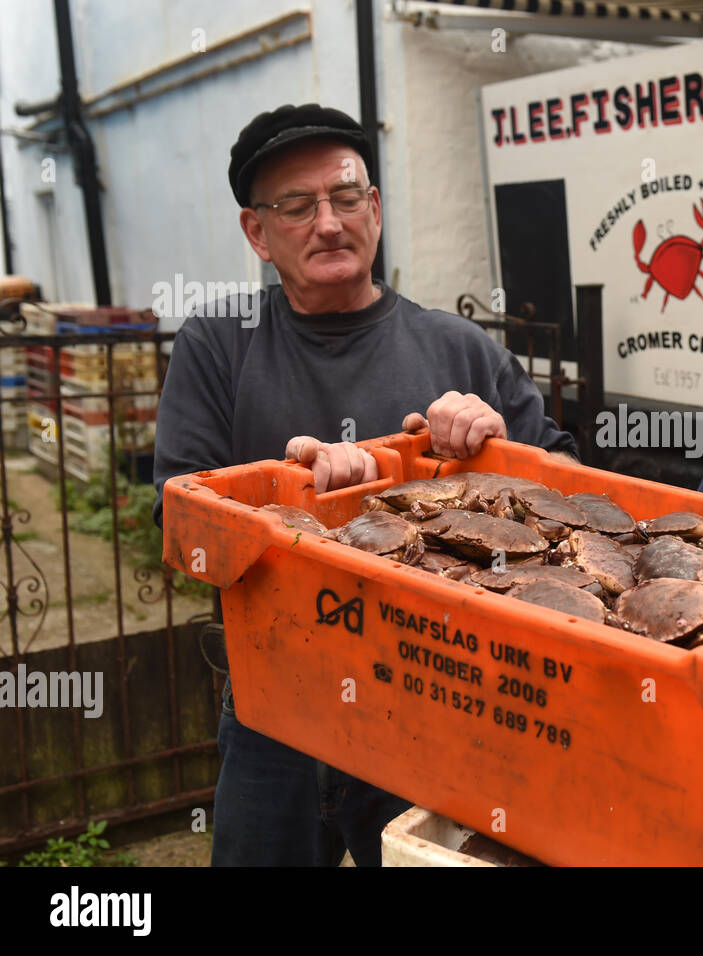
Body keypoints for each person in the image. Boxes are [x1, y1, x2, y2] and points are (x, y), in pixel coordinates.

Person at [151, 103, 577, 866]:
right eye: (297, 205)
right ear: (258, 233)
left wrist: (505, 456)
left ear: (374, 208)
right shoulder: (217, 347)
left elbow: (577, 504)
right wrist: (297, 499)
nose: (328, 222)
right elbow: (181, 529)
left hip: (438, 701)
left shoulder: (461, 349)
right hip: (273, 707)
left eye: (347, 197)